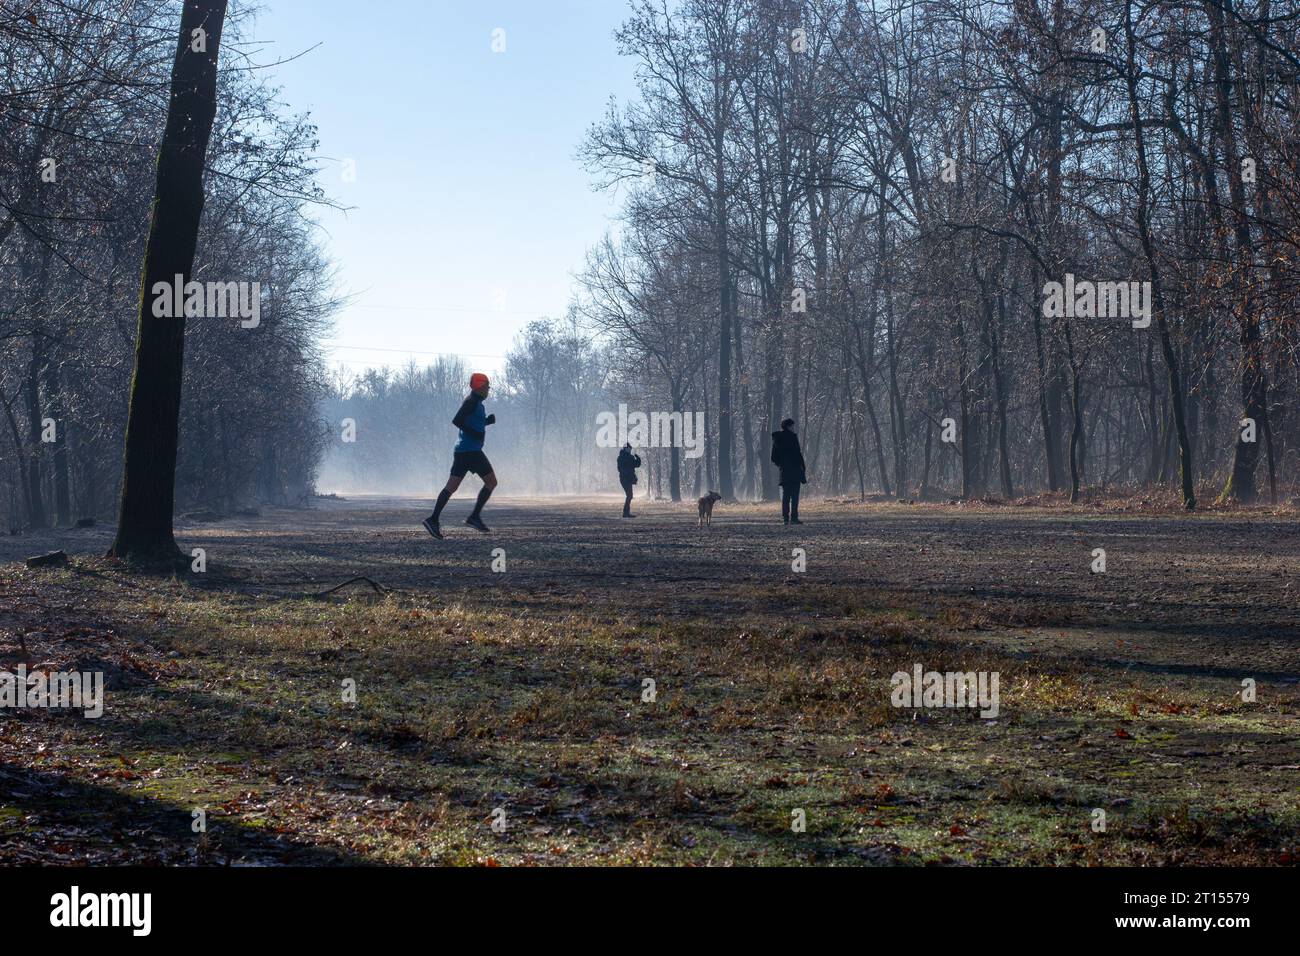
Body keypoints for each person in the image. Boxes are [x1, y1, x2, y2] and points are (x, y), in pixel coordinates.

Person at [423, 373, 497, 538]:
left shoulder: (475, 402)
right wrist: (474, 434)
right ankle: (474, 517)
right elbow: (457, 420)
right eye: (487, 387)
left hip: (463, 451)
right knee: (491, 482)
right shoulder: (471, 402)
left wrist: (486, 422)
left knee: (451, 487)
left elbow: (471, 422)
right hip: (471, 451)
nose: (488, 390)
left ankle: (433, 520)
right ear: (480, 387)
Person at [770, 417, 807, 525]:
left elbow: (773, 457)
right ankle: (794, 518)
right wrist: (802, 467)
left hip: (785, 470)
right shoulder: (793, 437)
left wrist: (781, 464)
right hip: (795, 469)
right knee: (795, 496)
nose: (794, 428)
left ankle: (785, 518)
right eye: (792, 426)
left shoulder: (777, 439)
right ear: (789, 426)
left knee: (786, 496)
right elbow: (797, 454)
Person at [616, 443, 642, 517]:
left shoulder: (630, 457)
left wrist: (638, 458)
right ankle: (625, 513)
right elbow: (620, 469)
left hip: (628, 479)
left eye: (630, 449)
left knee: (629, 496)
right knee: (629, 495)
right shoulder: (621, 457)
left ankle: (626, 513)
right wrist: (627, 473)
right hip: (624, 479)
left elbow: (637, 465)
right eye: (629, 449)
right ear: (625, 449)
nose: (630, 450)